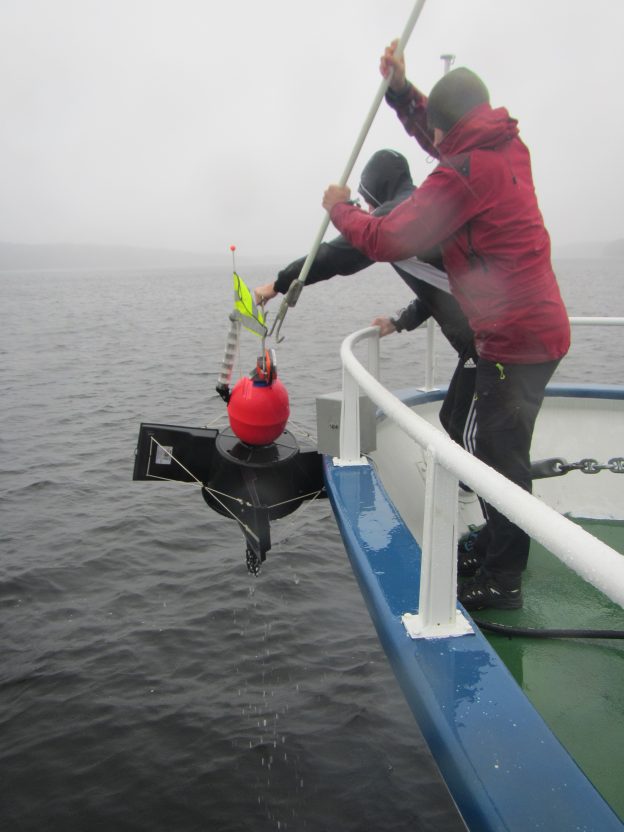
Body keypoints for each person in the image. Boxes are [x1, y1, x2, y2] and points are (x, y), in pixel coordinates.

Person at [321, 42, 571, 611]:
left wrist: (341, 209)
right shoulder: (503, 146)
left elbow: (387, 237)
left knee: (493, 455)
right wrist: (403, 94)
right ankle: (497, 540)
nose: (431, 139)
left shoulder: (461, 175)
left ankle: (502, 578)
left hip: (511, 341)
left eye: (432, 125)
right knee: (494, 446)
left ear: (447, 130)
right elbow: (443, 135)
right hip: (538, 329)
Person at [254, 148, 478, 449]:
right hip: (484, 341)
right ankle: (473, 486)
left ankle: (491, 492)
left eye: (367, 200)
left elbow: (333, 257)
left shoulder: (396, 219)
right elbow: (443, 287)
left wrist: (278, 285)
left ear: (376, 191)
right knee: (454, 419)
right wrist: (398, 322)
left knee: (469, 433)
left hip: (493, 342)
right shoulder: (419, 212)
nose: (368, 209)